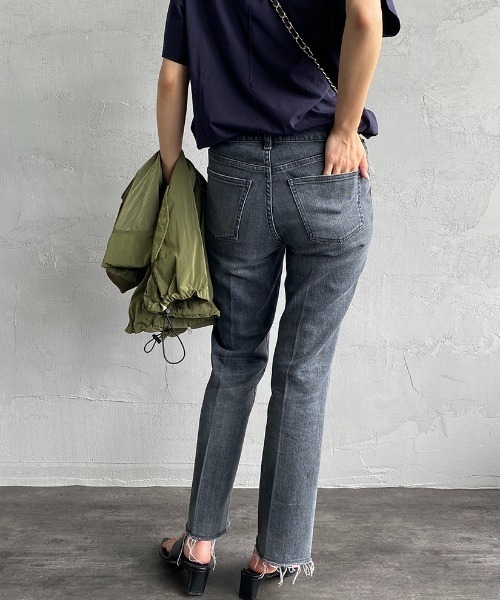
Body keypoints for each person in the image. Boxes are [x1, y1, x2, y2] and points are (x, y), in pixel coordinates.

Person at [156, 0, 401, 597]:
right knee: (303, 371)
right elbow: (365, 18)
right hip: (323, 166)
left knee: (233, 363)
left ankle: (199, 544)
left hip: (233, 175)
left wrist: (170, 173)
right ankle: (274, 558)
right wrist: (345, 130)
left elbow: (171, 79)